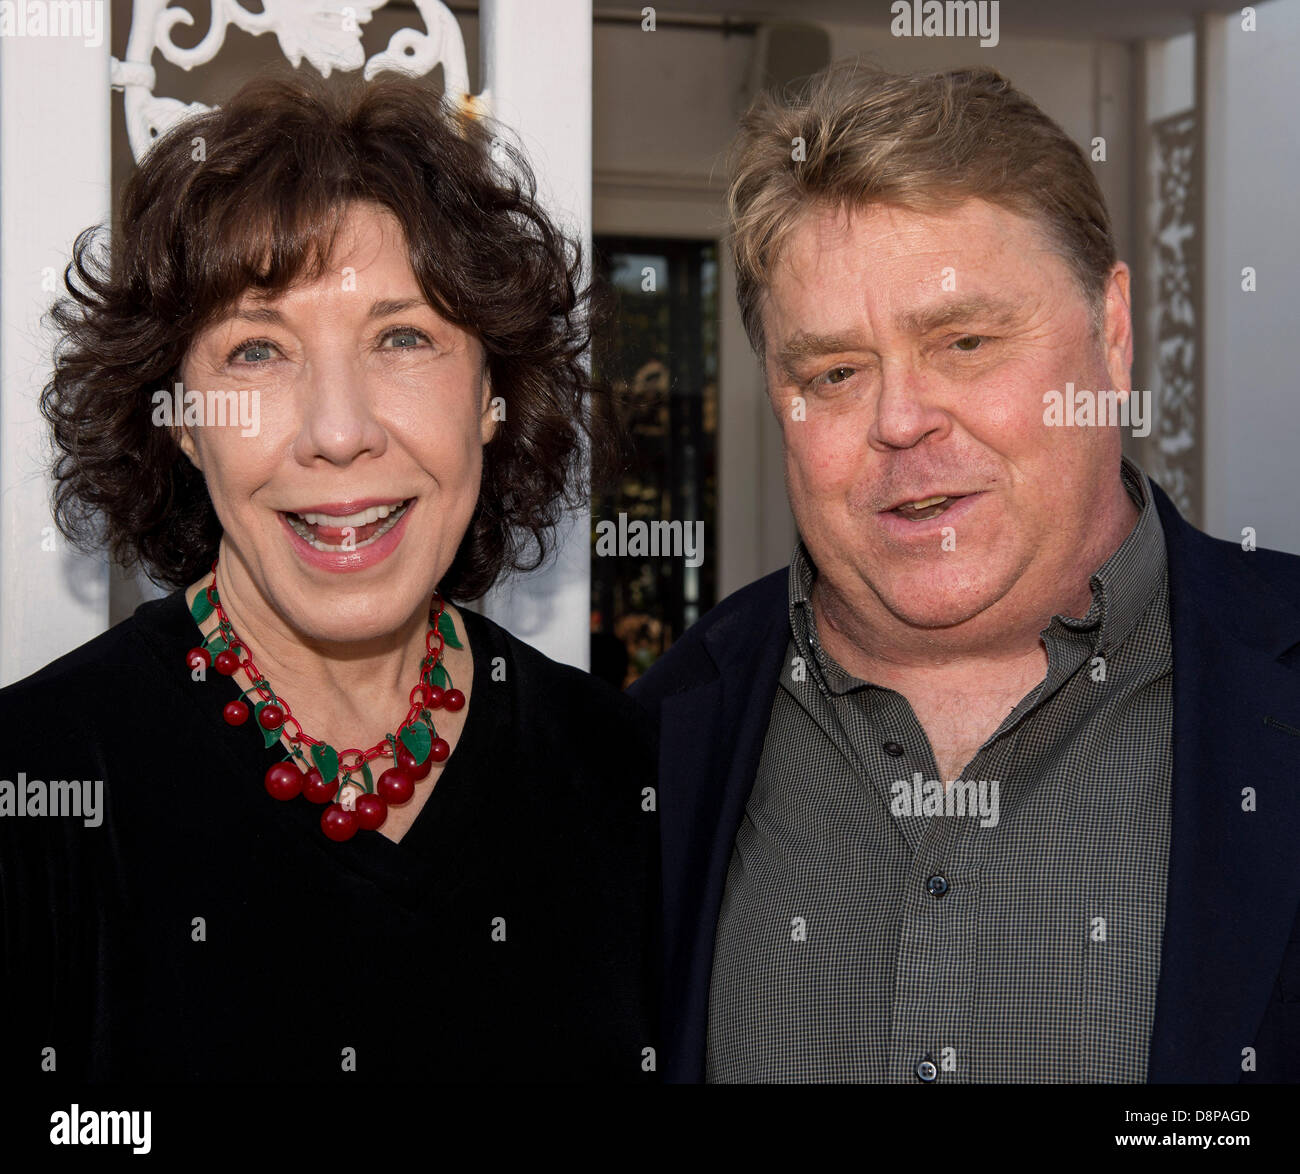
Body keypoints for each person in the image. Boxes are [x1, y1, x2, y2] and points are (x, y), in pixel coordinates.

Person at [630, 62, 1300, 1084]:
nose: (899, 419)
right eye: (835, 373)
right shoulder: (657, 742)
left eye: (966, 341)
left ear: (1111, 337)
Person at [0, 71, 658, 1083]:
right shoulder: (36, 792)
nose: (340, 432)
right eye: (258, 351)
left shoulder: (624, 775)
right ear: (177, 420)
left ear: (492, 394)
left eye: (403, 338)